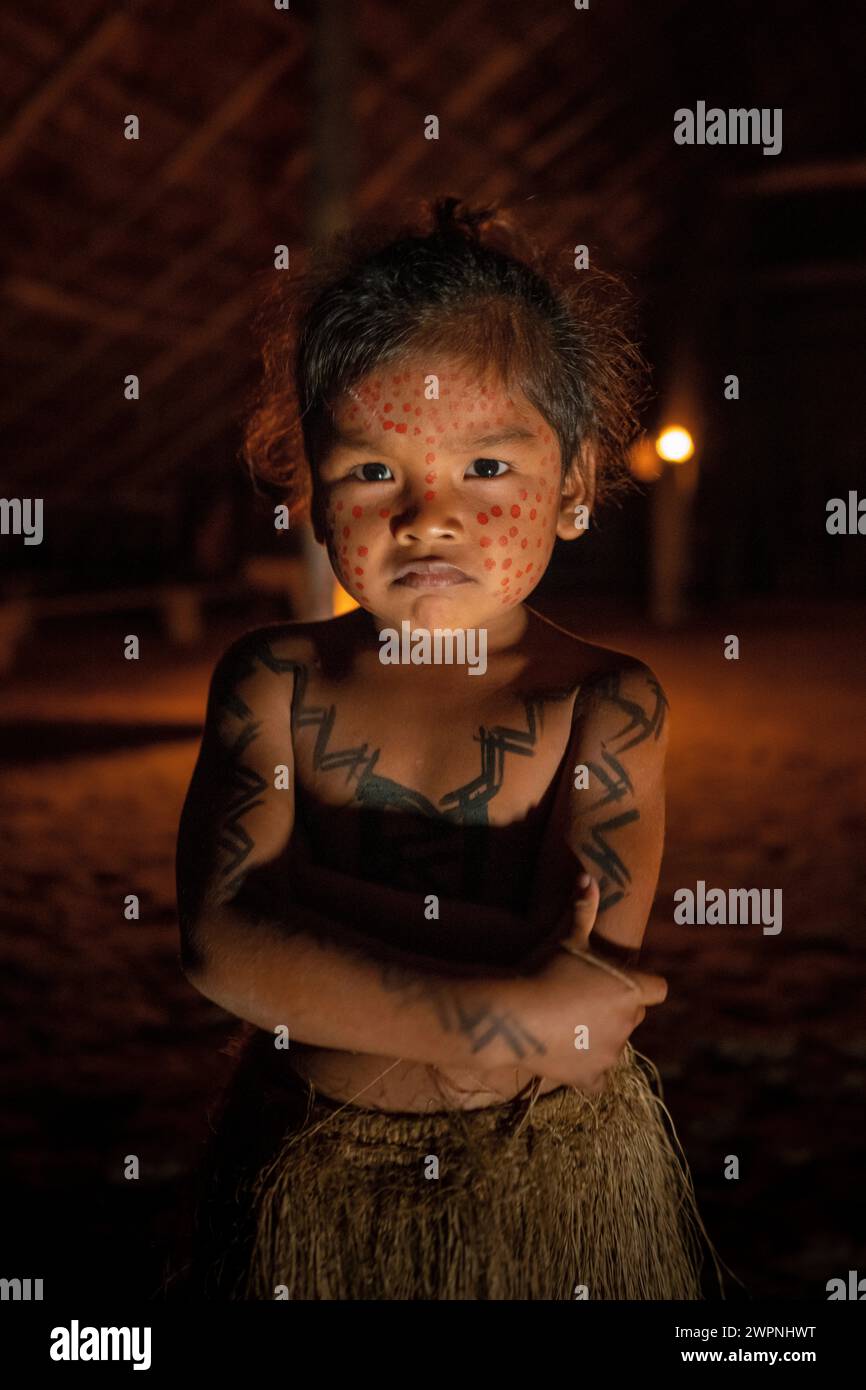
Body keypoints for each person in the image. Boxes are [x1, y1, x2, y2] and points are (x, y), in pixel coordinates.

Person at [173, 195, 730, 1300]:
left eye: (485, 469)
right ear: (309, 489)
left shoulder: (603, 703)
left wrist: (315, 926)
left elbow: (582, 1002)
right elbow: (223, 946)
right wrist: (493, 1003)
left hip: (544, 1190)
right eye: (373, 471)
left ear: (571, 487)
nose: (426, 517)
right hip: (300, 1176)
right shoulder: (270, 677)